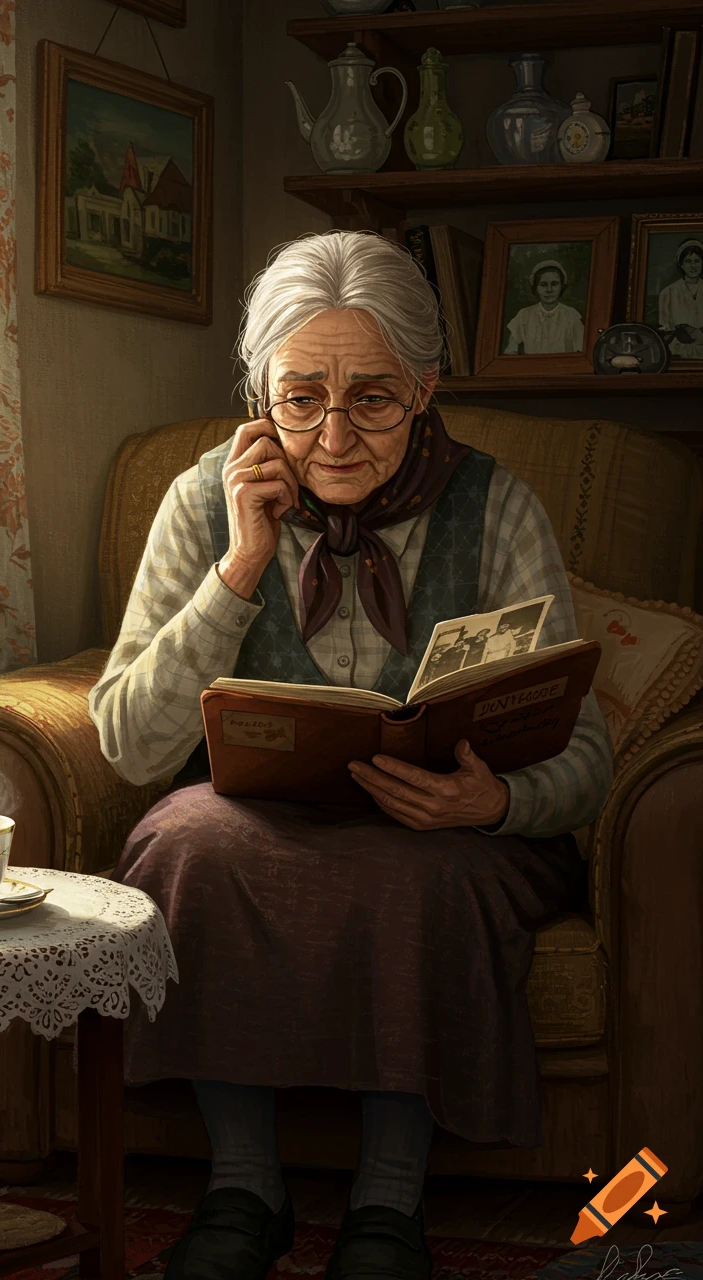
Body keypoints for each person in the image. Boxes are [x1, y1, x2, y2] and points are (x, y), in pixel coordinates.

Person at [89, 231, 613, 1280]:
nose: (331, 435)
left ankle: (387, 1205)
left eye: (370, 398)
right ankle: (243, 1186)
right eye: (299, 397)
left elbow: (587, 749)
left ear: (424, 388)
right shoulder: (203, 497)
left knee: (412, 872)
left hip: (443, 831)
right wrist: (238, 566)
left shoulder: (496, 503)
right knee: (185, 842)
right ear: (259, 392)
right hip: (256, 815)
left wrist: (491, 798)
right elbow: (128, 739)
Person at [503, 259, 585, 355]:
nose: (549, 290)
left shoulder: (572, 316)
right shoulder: (524, 315)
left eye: (554, 284)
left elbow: (582, 351)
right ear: (536, 288)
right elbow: (510, 351)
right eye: (543, 285)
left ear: (561, 286)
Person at [658, 238, 703, 361]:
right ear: (681, 264)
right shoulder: (668, 293)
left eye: (697, 261)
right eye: (688, 261)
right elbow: (665, 329)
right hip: (678, 355)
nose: (693, 266)